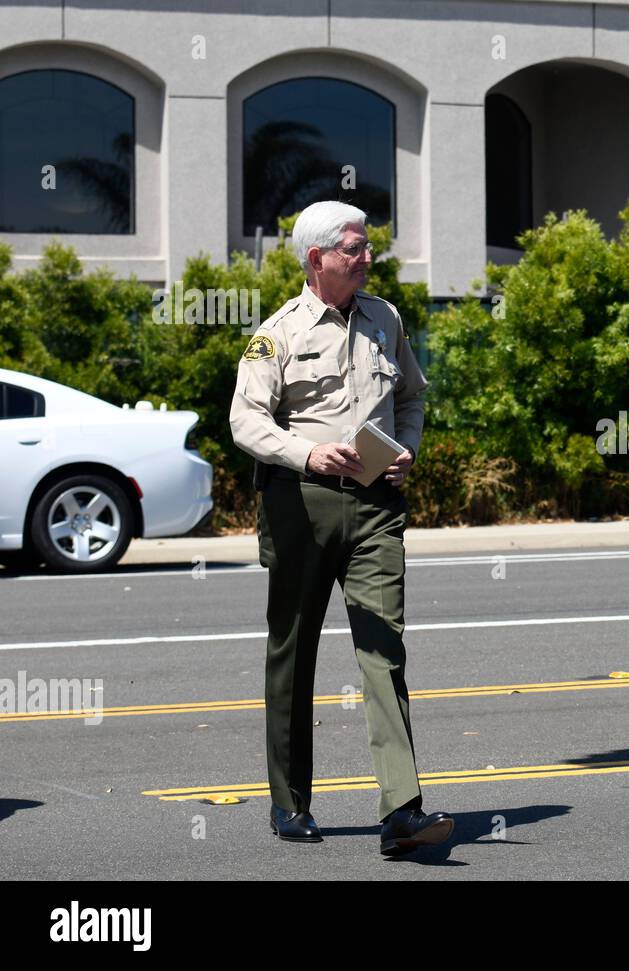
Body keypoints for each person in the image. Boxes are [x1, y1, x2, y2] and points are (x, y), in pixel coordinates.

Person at [229, 200, 453, 856]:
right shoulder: (278, 332)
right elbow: (247, 421)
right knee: (292, 654)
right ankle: (289, 801)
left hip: (378, 503)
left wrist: (407, 444)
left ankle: (401, 809)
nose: (367, 257)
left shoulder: (386, 318)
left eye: (367, 246)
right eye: (354, 248)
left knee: (384, 648)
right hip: (301, 504)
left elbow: (410, 395)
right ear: (316, 259)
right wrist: (306, 452)